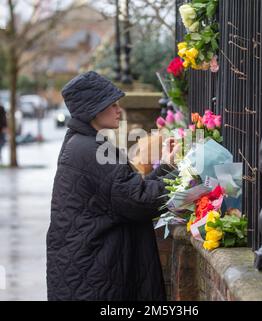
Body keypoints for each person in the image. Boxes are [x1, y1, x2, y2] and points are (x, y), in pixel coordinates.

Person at [46, 71, 179, 301]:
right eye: (112, 104)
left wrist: (165, 167)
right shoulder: (92, 149)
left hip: (86, 268)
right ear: (94, 109)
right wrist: (173, 171)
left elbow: (125, 190)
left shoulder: (81, 143)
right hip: (94, 273)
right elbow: (137, 201)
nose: (119, 110)